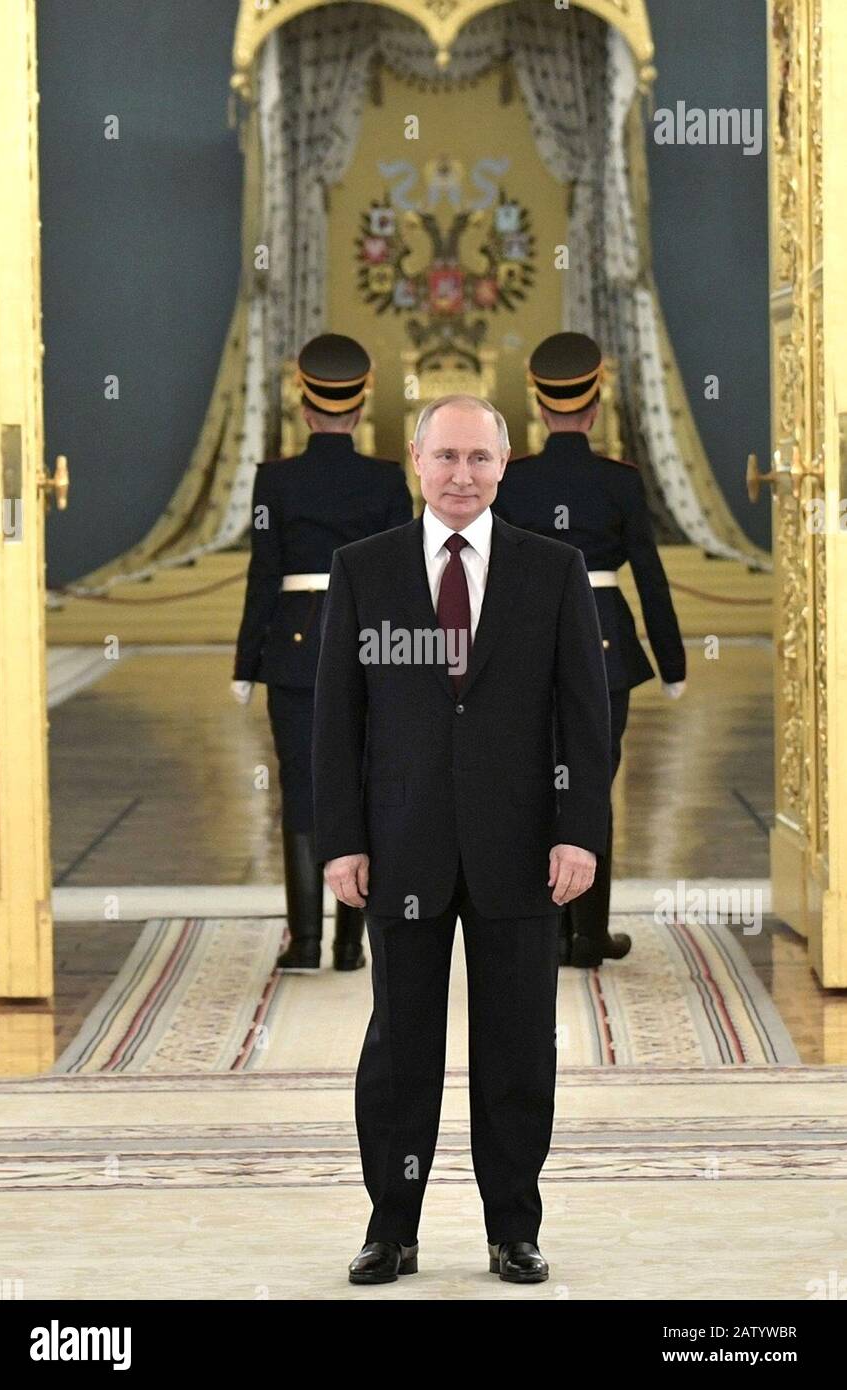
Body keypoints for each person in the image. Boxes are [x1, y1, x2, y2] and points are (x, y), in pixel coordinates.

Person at [312, 394, 612, 1285]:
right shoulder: (362, 569)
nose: (460, 476)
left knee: (517, 1047)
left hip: (522, 850)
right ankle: (390, 1231)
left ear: (505, 465)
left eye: (479, 459)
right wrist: (340, 840)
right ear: (414, 459)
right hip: (399, 847)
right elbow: (338, 720)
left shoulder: (551, 569)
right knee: (400, 1047)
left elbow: (582, 720)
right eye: (445, 457)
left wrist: (580, 835)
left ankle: (511, 1229)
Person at [493, 331, 686, 968]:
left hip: (530, 645)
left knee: (533, 786)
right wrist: (673, 663)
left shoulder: (513, 481)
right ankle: (589, 935)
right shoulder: (620, 481)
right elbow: (651, 578)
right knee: (593, 786)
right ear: (595, 402)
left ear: (539, 406)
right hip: (606, 641)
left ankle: (545, 932)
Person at [232, 333, 412, 973]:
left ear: (304, 407)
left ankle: (305, 940)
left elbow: (263, 573)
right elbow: (401, 575)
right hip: (371, 643)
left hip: (295, 643)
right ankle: (350, 943)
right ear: (359, 406)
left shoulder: (272, 480)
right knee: (364, 786)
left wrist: (246, 662)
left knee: (302, 786)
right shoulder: (388, 479)